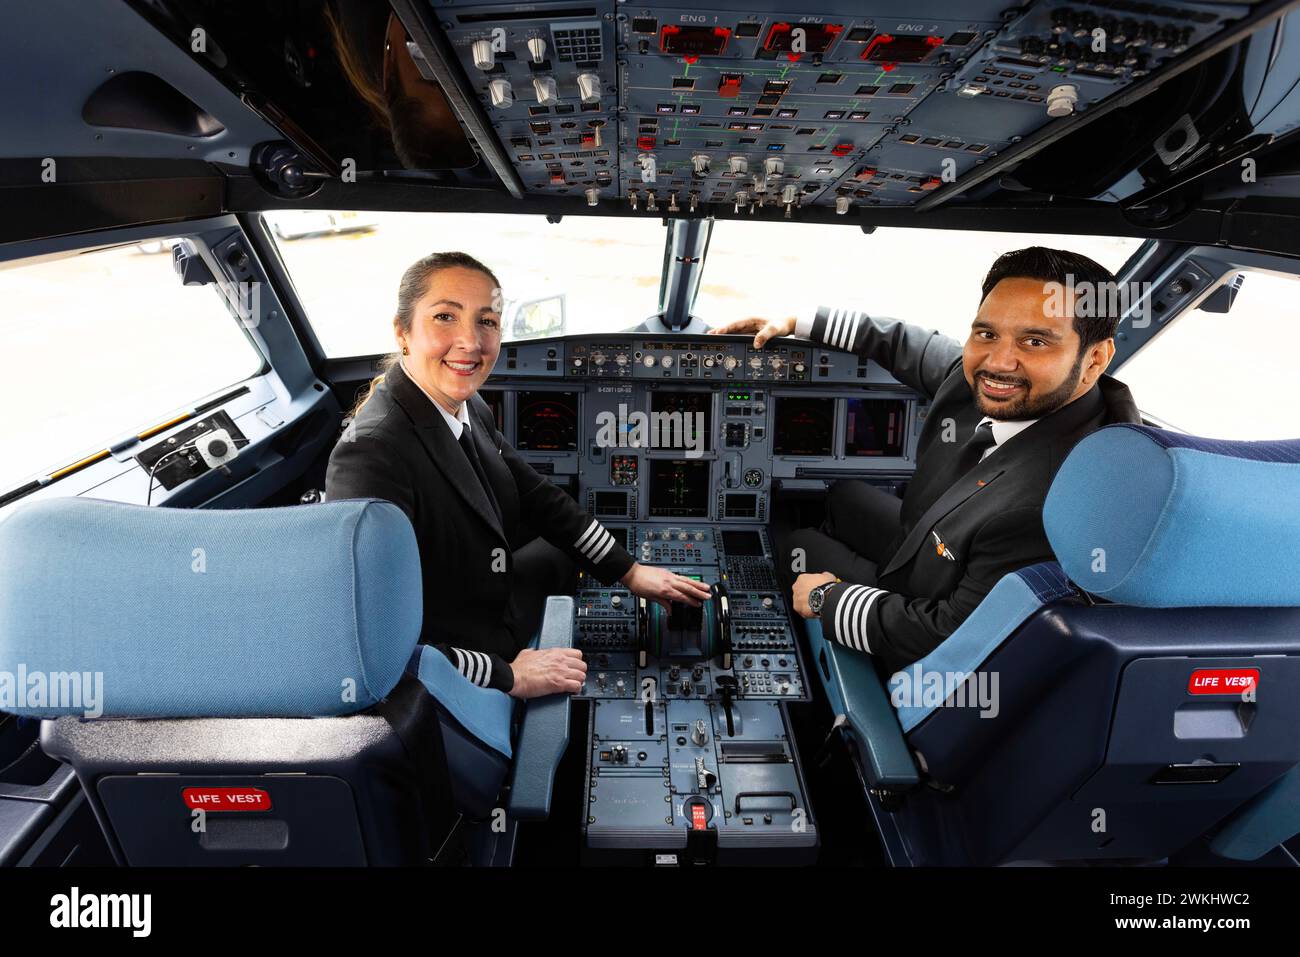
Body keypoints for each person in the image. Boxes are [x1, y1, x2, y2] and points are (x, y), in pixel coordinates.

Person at [709, 246, 1141, 675]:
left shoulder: (1059, 497)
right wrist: (800, 322)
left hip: (924, 605)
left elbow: (956, 636)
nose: (998, 362)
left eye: (1034, 341)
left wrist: (830, 600)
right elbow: (907, 345)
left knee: (795, 545)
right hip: (929, 549)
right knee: (844, 496)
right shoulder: (993, 384)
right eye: (987, 334)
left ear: (1096, 358)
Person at [327, 252, 710, 697]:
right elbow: (371, 641)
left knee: (567, 549)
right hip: (460, 648)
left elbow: (539, 498)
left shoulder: (467, 405)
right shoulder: (372, 453)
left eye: (486, 322)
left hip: (487, 593)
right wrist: (508, 675)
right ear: (402, 332)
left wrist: (630, 571)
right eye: (445, 317)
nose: (470, 342)